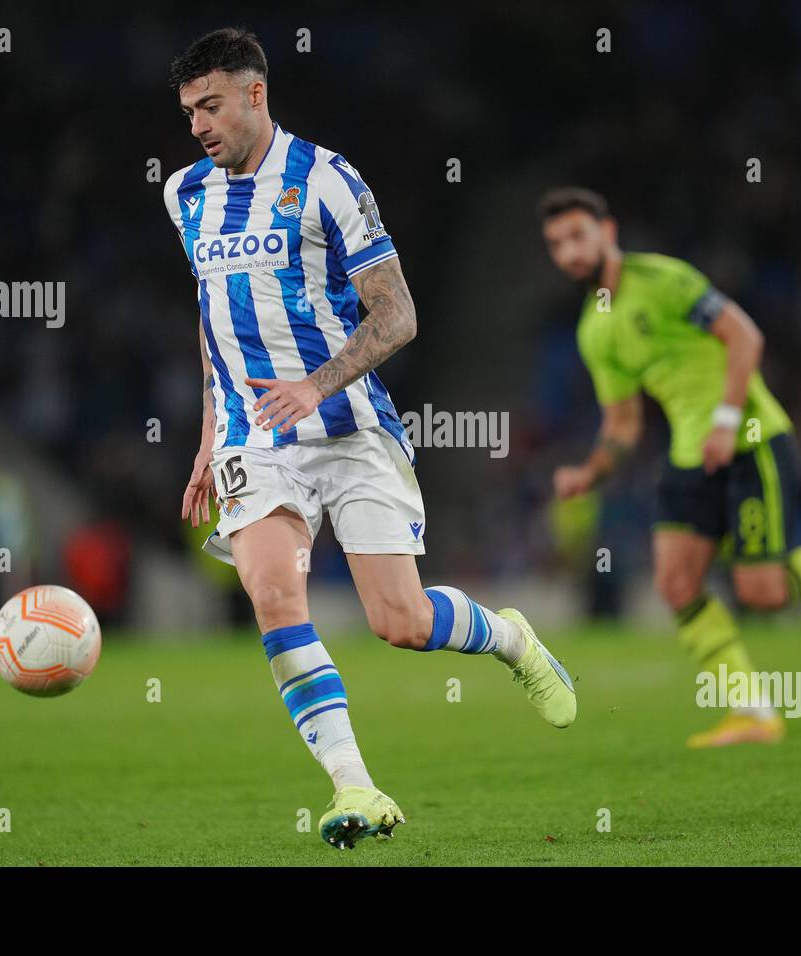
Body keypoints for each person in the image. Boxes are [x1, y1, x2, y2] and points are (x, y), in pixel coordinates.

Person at [164, 28, 576, 850]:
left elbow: (399, 314)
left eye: (210, 105)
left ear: (254, 94)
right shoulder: (185, 194)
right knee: (273, 594)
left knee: (402, 621)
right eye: (187, 111)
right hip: (256, 437)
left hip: (349, 429)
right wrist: (212, 437)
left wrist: (315, 385)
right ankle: (355, 787)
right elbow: (213, 323)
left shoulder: (327, 180)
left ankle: (511, 638)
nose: (198, 126)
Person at [539, 187, 801, 747]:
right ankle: (753, 712)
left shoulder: (664, 279)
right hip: (689, 456)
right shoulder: (594, 330)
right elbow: (623, 425)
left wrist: (725, 420)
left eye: (578, 235)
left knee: (763, 591)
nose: (570, 251)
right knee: (676, 584)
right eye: (557, 244)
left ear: (609, 231)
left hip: (749, 438)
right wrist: (589, 472)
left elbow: (745, 336)